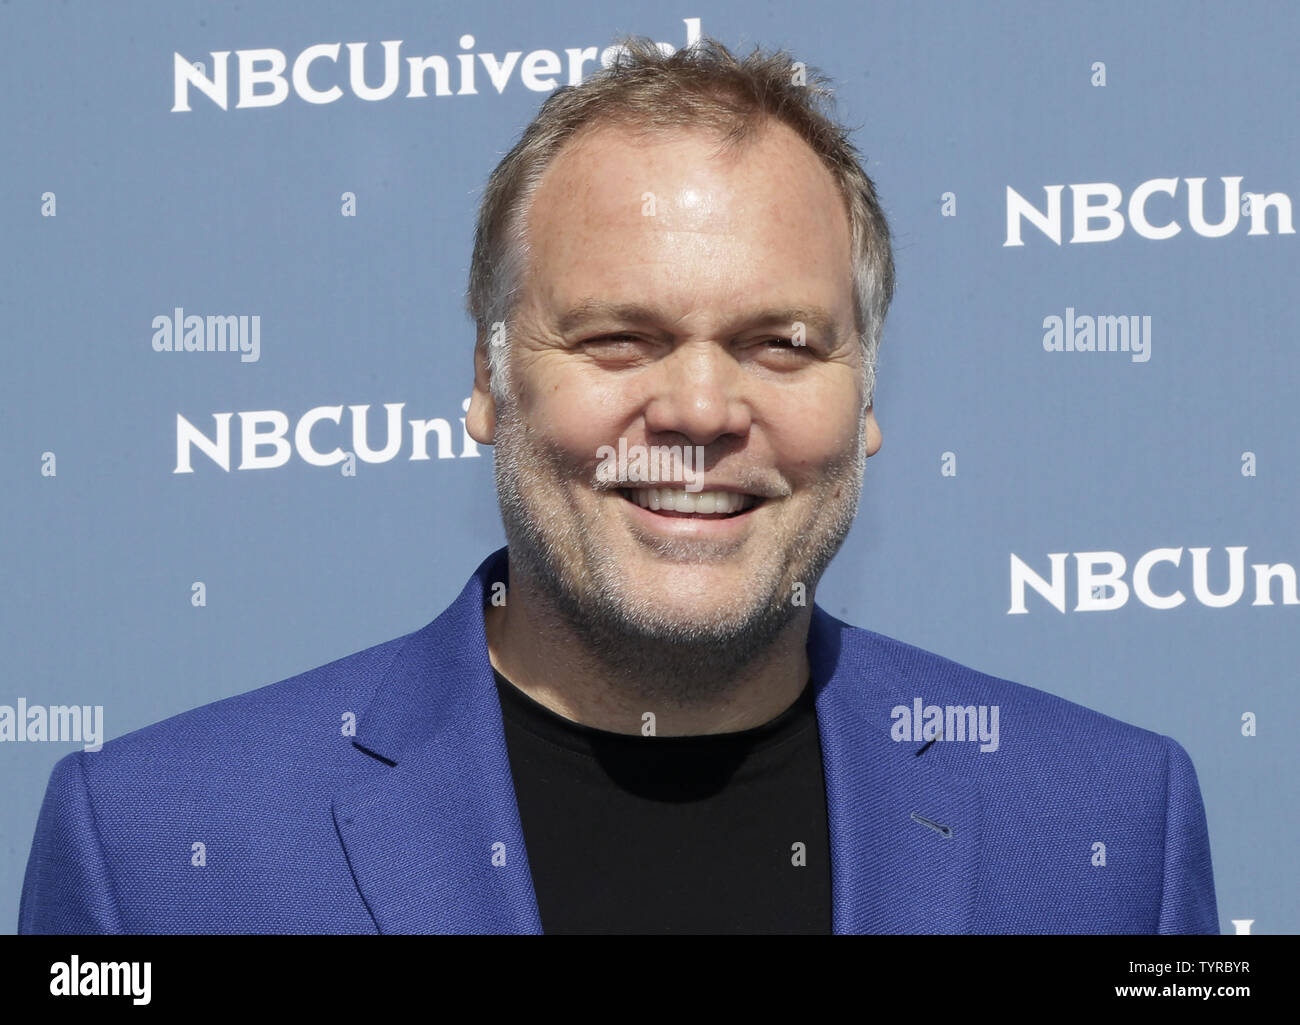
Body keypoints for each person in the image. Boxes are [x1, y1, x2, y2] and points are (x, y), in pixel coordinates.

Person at [19, 37, 1217, 934]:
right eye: (617, 339)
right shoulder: (154, 847)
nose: (699, 410)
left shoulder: (1110, 828)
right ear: (486, 384)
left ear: (864, 401)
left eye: (781, 343)